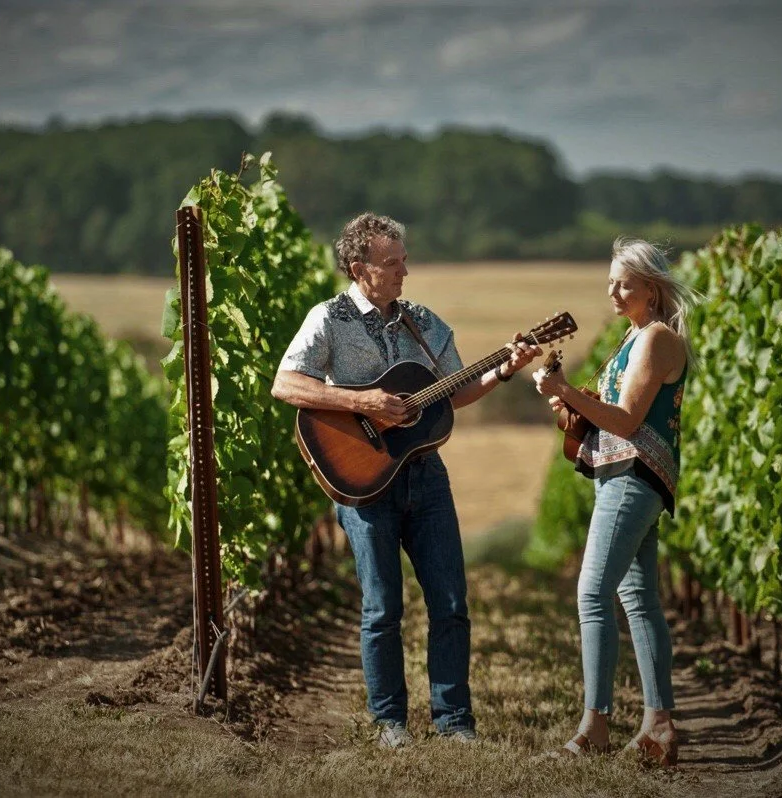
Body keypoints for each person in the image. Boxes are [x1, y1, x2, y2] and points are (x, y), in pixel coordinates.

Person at [271, 212, 541, 748]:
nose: (403, 272)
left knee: (451, 602)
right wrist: (359, 400)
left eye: (404, 260)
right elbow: (285, 383)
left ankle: (454, 721)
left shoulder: (425, 321)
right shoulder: (328, 319)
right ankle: (390, 722)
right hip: (363, 482)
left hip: (426, 477)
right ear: (358, 267)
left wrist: (504, 368)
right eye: (392, 263)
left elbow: (454, 391)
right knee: (382, 609)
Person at [532, 237, 698, 766]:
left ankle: (594, 728)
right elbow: (612, 413)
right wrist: (566, 396)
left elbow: (626, 421)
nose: (613, 291)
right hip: (628, 476)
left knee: (591, 593)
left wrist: (566, 388)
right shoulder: (634, 338)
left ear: (651, 288)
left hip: (633, 478)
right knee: (638, 598)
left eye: (623, 283)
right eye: (609, 282)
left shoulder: (655, 339)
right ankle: (659, 727)